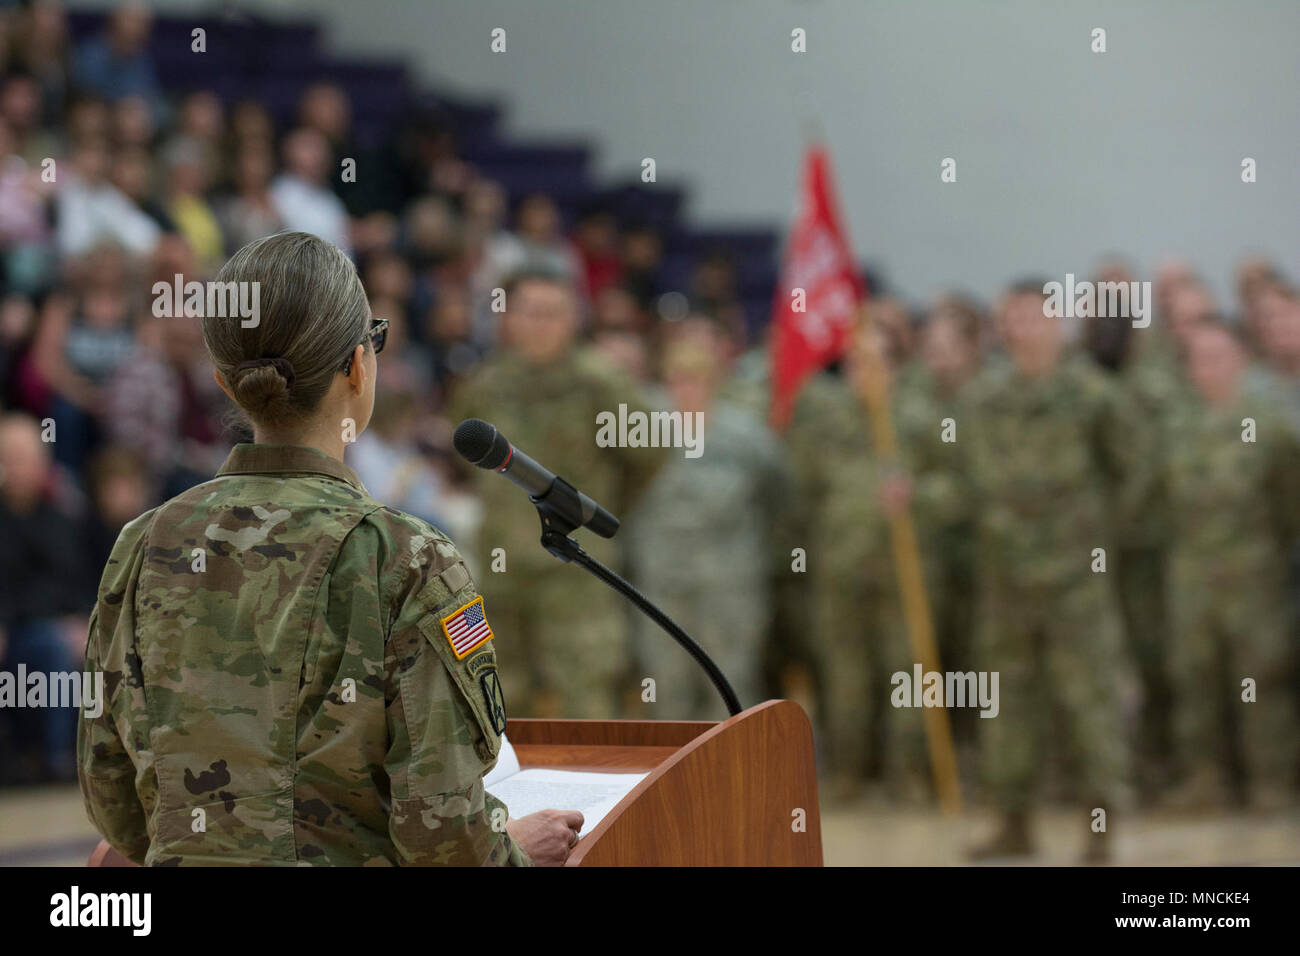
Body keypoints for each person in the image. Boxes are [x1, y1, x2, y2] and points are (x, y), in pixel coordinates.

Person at [78, 232, 581, 866]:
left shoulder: (142, 544)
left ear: (225, 384)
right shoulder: (406, 557)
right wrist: (511, 849)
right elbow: (446, 837)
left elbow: (113, 801)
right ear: (356, 365)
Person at [960, 282, 1143, 862]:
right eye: (1012, 318)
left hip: (1074, 585)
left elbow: (1134, 472)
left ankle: (1100, 829)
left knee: (1089, 705)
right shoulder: (983, 398)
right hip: (1004, 582)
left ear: (1059, 323)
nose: (1024, 328)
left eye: (1036, 316)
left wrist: (1094, 537)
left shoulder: (1093, 395)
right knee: (1007, 707)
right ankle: (1013, 823)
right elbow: (968, 478)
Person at [445, 267, 663, 719]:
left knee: (589, 698)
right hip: (503, 566)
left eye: (553, 313)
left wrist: (602, 511)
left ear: (574, 319)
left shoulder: (601, 382)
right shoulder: (485, 385)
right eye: (530, 312)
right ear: (509, 318)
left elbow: (651, 454)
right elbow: (462, 450)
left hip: (575, 571)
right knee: (499, 698)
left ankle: (599, 792)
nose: (541, 324)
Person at [1161, 321, 1300, 808]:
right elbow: (1160, 501)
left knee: (1260, 681)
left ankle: (1272, 782)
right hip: (1192, 574)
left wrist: (1262, 551)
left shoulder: (1271, 427)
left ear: (1240, 359)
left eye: (1219, 355)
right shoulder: (1175, 426)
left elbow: (1289, 504)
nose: (1209, 367)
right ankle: (1205, 779)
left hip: (1253, 575)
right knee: (1195, 679)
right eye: (1199, 358)